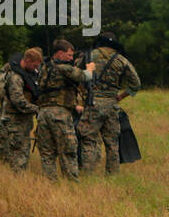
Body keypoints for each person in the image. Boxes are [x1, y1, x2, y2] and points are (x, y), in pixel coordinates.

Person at [77, 33, 141, 175]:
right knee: (112, 143)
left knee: (89, 140)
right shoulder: (121, 60)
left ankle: (88, 174)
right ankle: (112, 174)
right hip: (112, 106)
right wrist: (119, 97)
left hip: (92, 103)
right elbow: (136, 84)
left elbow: (76, 75)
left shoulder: (89, 56)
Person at [35, 39, 91, 181]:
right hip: (59, 115)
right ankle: (72, 184)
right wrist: (90, 68)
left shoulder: (44, 68)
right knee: (68, 150)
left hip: (43, 114)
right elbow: (84, 76)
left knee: (47, 153)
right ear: (60, 53)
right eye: (69, 55)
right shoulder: (63, 68)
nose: (71, 58)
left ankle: (51, 183)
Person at [0, 48, 42, 172]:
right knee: (18, 154)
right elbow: (18, 101)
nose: (35, 68)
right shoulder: (15, 78)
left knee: (23, 152)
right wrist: (37, 109)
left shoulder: (27, 75)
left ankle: (20, 180)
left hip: (23, 121)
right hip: (15, 121)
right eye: (34, 65)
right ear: (27, 60)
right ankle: (17, 182)